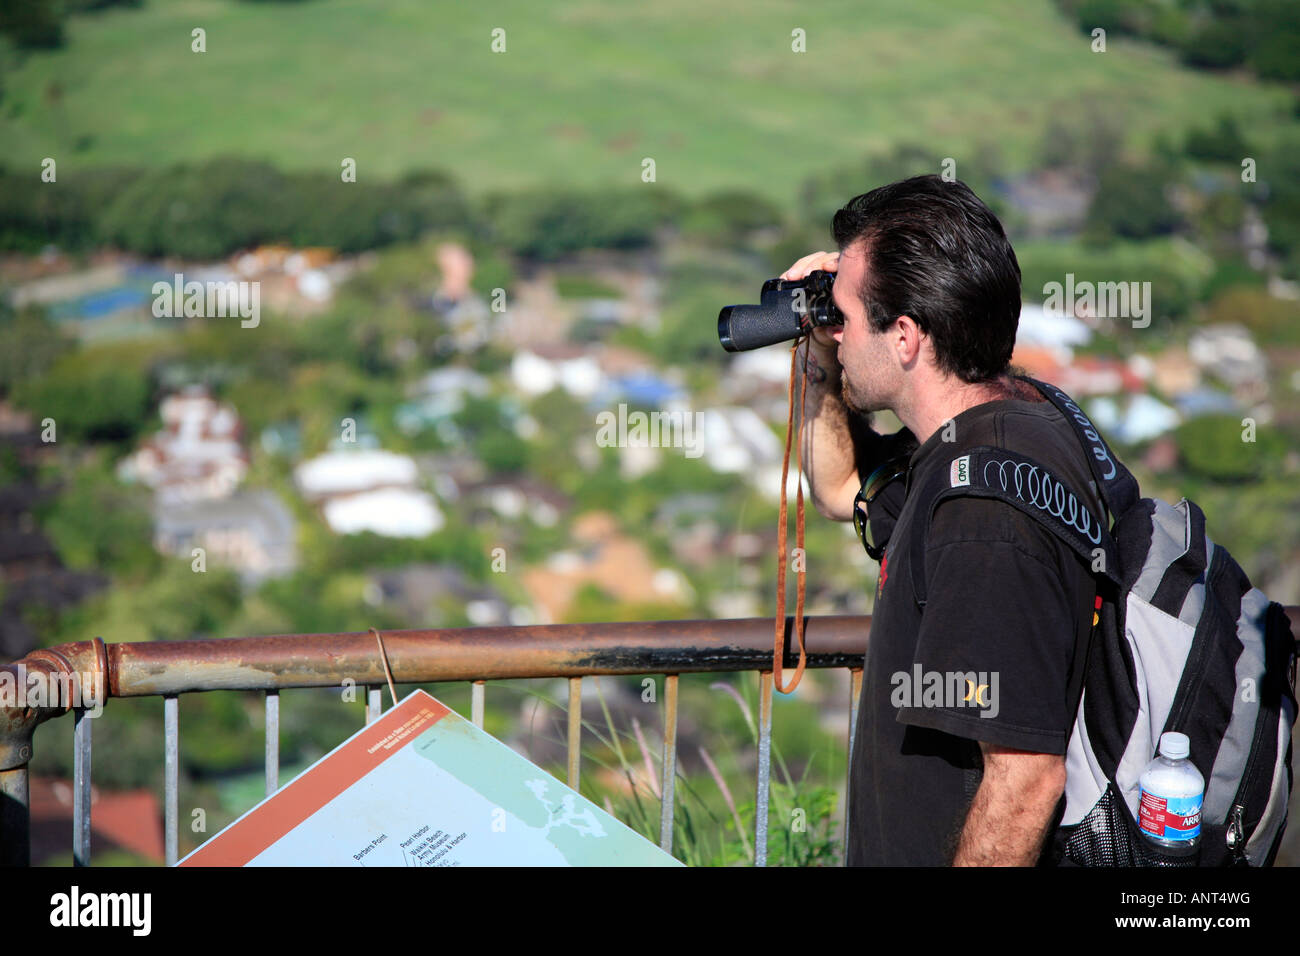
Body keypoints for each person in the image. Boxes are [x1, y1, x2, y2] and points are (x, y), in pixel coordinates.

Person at [790, 174, 1104, 865]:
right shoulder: (1012, 424)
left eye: (842, 315)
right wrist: (817, 354)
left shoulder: (982, 517)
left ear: (903, 336)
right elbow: (843, 486)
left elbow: (1025, 778)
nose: (837, 332)